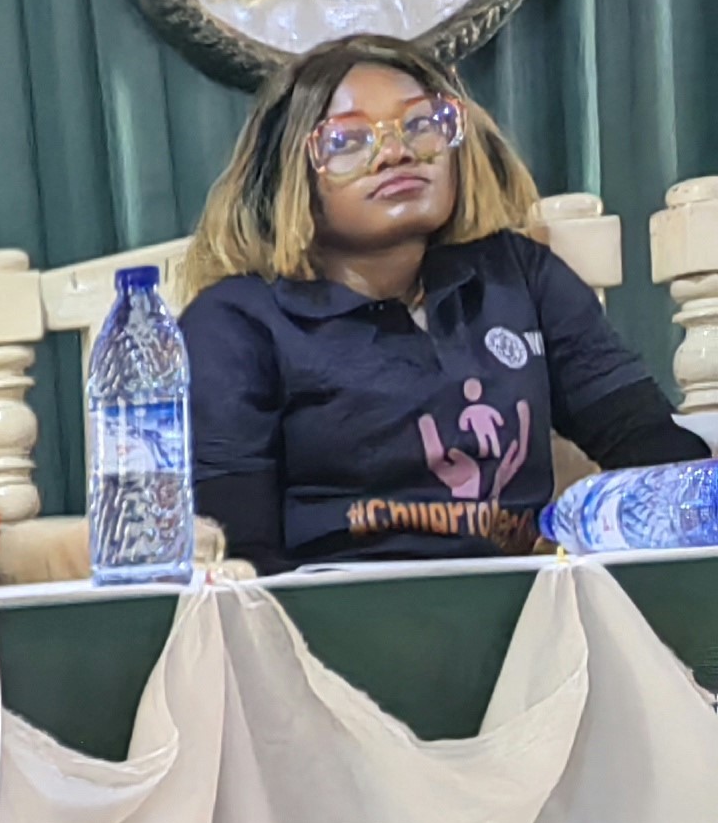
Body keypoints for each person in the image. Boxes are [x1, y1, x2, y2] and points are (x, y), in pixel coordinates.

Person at [181, 35, 706, 570]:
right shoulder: (234, 321)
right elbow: (236, 555)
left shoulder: (518, 274)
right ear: (288, 174)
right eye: (349, 140)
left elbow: (648, 446)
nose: (396, 152)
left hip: (529, 611)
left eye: (421, 124)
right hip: (325, 622)